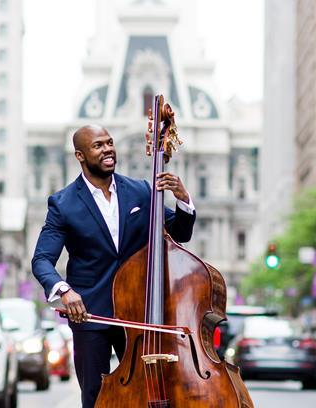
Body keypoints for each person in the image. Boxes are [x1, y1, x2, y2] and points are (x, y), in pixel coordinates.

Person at [31, 125, 196, 408]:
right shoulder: (63, 203)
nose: (107, 149)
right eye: (98, 146)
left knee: (148, 392)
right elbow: (42, 259)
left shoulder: (142, 192)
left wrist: (183, 199)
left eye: (109, 143)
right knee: (96, 396)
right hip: (91, 315)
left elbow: (179, 233)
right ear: (80, 156)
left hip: (138, 311)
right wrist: (64, 290)